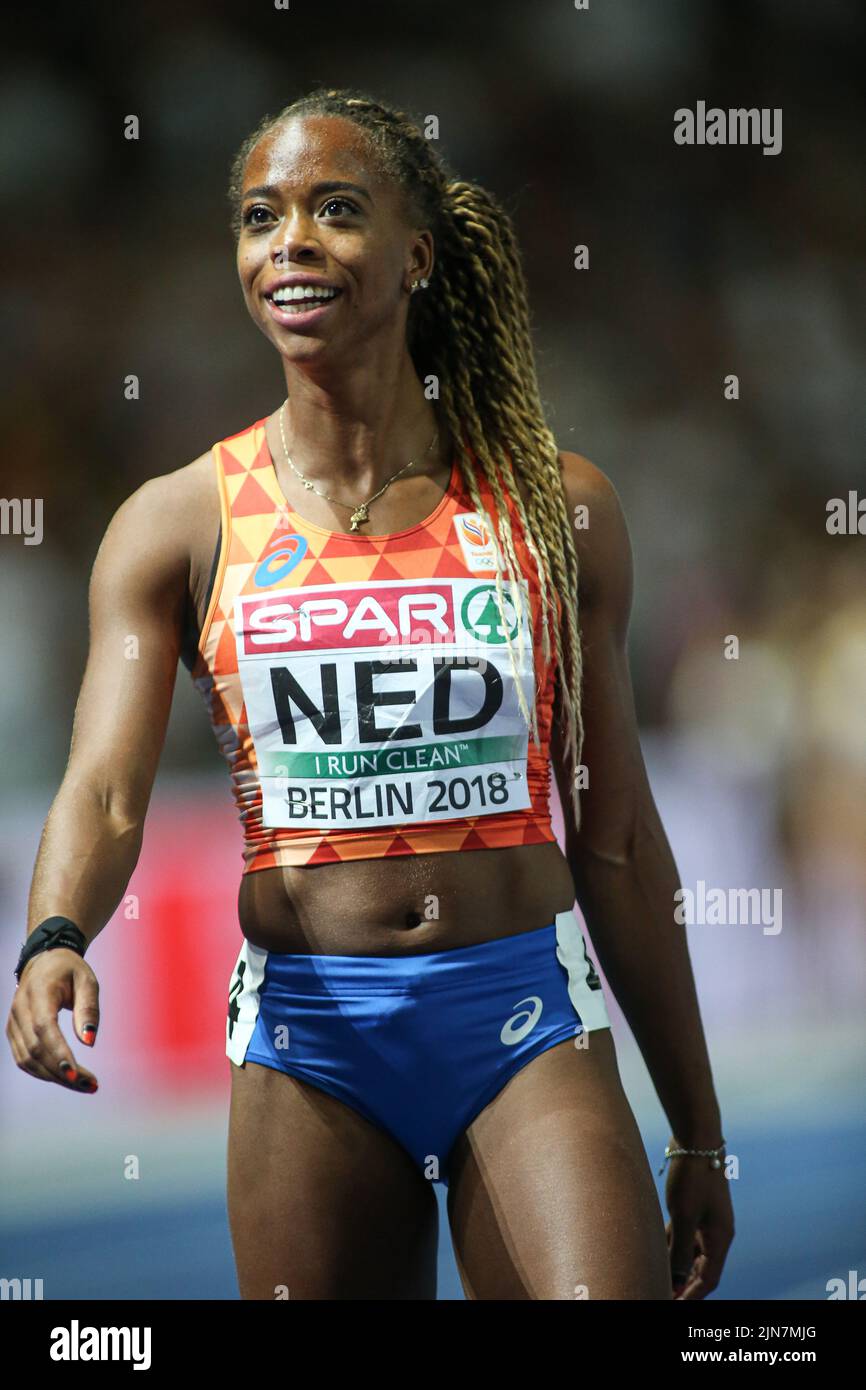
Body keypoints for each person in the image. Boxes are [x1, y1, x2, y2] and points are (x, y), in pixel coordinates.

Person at [5, 87, 733, 1301]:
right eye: (259, 216)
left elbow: (613, 840)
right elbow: (106, 792)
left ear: (417, 255)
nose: (289, 240)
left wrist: (698, 1128)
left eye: (335, 210)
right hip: (309, 1041)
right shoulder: (176, 525)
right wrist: (52, 936)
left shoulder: (557, 510)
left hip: (522, 1017)